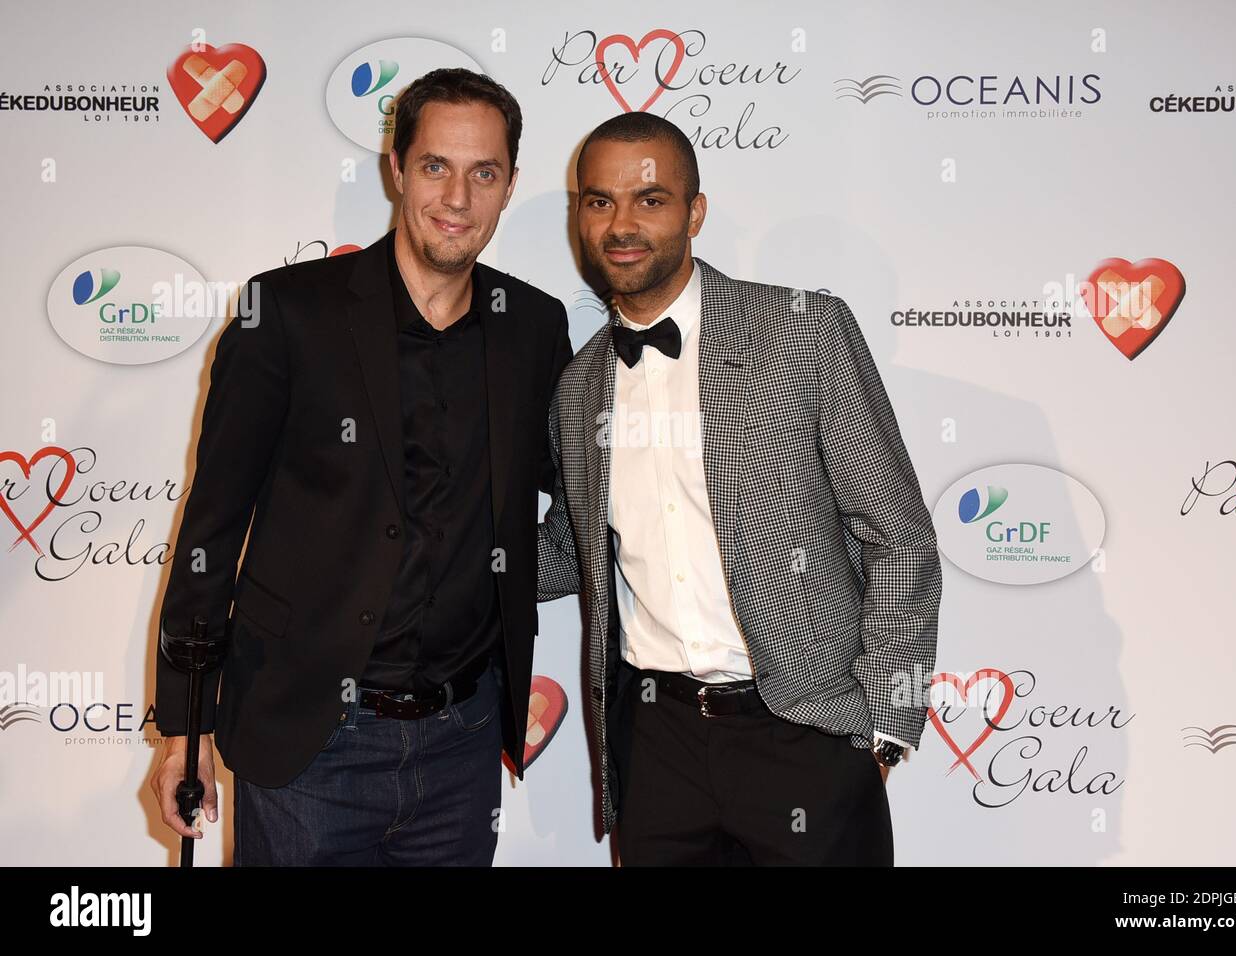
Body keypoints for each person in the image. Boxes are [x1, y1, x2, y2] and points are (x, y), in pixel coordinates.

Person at [149, 68, 571, 865]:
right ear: (396, 169)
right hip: (311, 740)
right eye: (436, 166)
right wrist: (186, 723)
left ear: (510, 185)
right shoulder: (287, 315)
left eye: (484, 172)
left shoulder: (534, 328)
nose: (457, 197)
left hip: (463, 740)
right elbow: (212, 528)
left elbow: (580, 495)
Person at [537, 111, 941, 865]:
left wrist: (881, 726)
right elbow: (570, 547)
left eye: (650, 200)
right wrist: (440, 550)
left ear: (694, 212)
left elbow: (898, 532)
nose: (622, 224)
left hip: (804, 734)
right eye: (599, 201)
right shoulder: (577, 385)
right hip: (656, 746)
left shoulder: (802, 331)